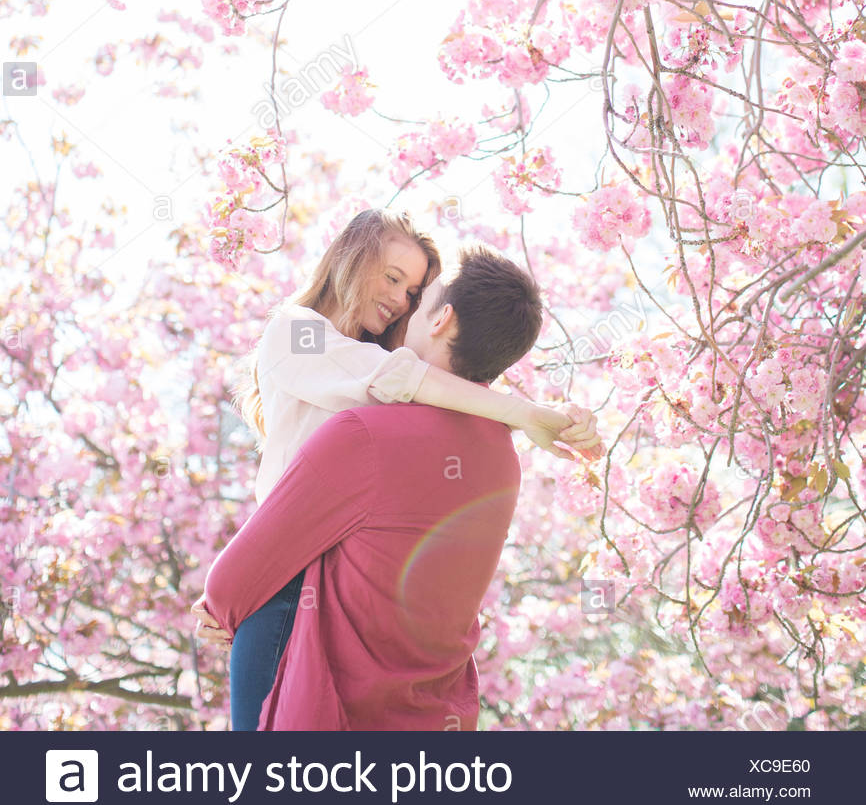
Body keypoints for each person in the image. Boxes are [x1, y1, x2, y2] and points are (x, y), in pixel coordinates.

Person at [192, 209, 594, 729]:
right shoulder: (297, 333)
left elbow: (455, 379)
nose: (401, 300)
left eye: (413, 292)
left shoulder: (389, 375)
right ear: (350, 261)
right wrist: (525, 413)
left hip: (326, 579)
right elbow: (408, 380)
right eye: (392, 276)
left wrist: (558, 416)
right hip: (281, 574)